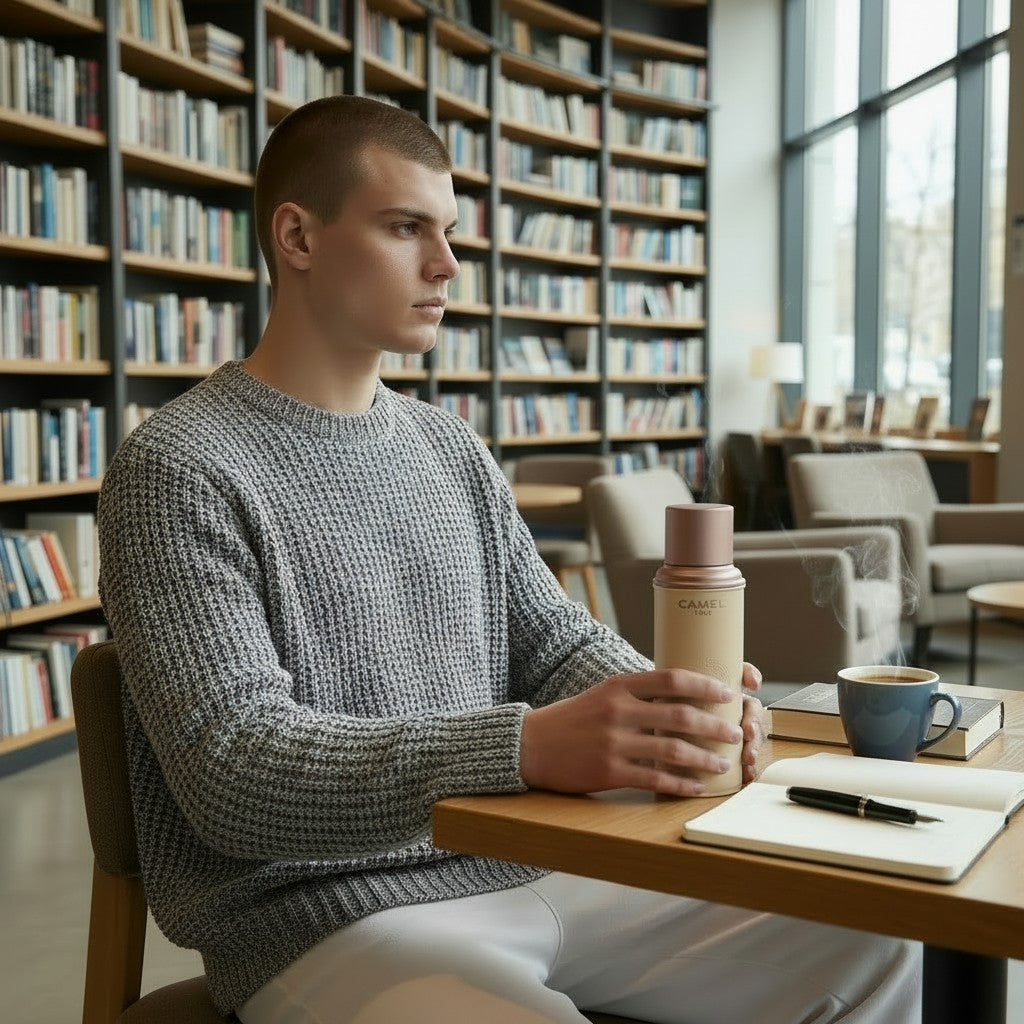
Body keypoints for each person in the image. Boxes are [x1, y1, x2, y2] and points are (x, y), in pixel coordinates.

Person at [98, 95, 921, 1024]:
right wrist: (526, 746)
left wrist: (677, 710)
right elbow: (231, 773)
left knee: (869, 936)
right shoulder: (176, 465)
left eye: (447, 232)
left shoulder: (449, 447)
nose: (447, 264)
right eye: (406, 227)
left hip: (543, 862)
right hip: (317, 916)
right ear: (297, 236)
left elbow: (553, 638)